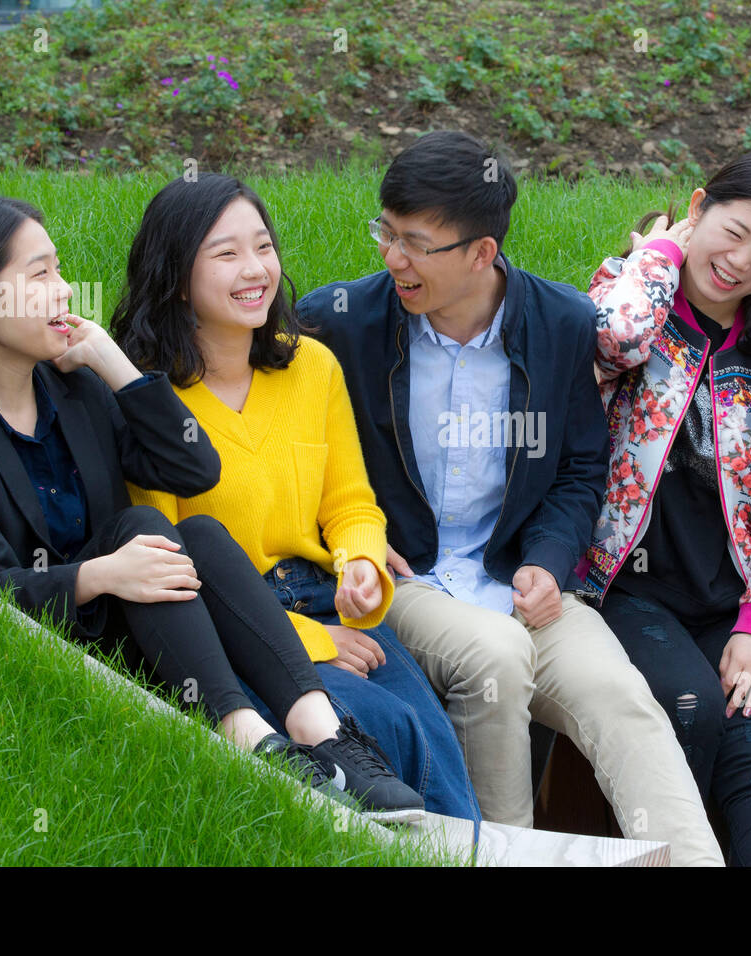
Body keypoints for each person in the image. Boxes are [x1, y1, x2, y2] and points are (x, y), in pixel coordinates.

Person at [0, 195, 422, 818]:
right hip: (62, 641)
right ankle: (252, 742)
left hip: (145, 619)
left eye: (59, 270)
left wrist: (111, 362)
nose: (65, 290)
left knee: (200, 531)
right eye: (40, 274)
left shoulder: (72, 390)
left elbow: (193, 468)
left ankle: (325, 738)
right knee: (143, 527)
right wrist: (99, 575)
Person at [299, 129, 723, 864]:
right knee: (492, 655)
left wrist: (551, 560)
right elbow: (301, 456)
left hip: (516, 580)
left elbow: (580, 468)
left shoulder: (559, 323)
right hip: (405, 578)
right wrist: (351, 543)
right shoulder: (340, 322)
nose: (392, 257)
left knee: (619, 697)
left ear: (481, 252)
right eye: (387, 232)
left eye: (416, 242)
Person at [112, 173, 480, 823]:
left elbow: (350, 502)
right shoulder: (155, 403)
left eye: (263, 246)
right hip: (237, 619)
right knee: (379, 727)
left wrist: (361, 566)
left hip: (325, 595)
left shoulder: (311, 366)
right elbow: (174, 566)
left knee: (435, 743)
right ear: (175, 277)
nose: (255, 269)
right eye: (225, 254)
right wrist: (313, 637)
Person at [580, 149, 751, 865]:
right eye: (731, 231)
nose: (740, 263)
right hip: (625, 587)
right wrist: (663, 248)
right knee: (691, 710)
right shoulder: (629, 290)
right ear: (699, 206)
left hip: (741, 597)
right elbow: (614, 339)